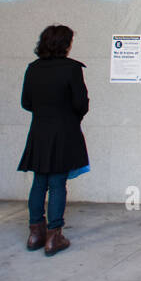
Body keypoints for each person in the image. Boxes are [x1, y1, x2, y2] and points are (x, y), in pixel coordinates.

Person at [18, 24, 89, 256]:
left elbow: (26, 102)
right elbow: (81, 103)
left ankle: (35, 233)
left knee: (39, 182)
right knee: (57, 183)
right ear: (64, 45)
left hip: (39, 131)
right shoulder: (72, 69)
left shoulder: (33, 68)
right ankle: (54, 236)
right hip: (63, 132)